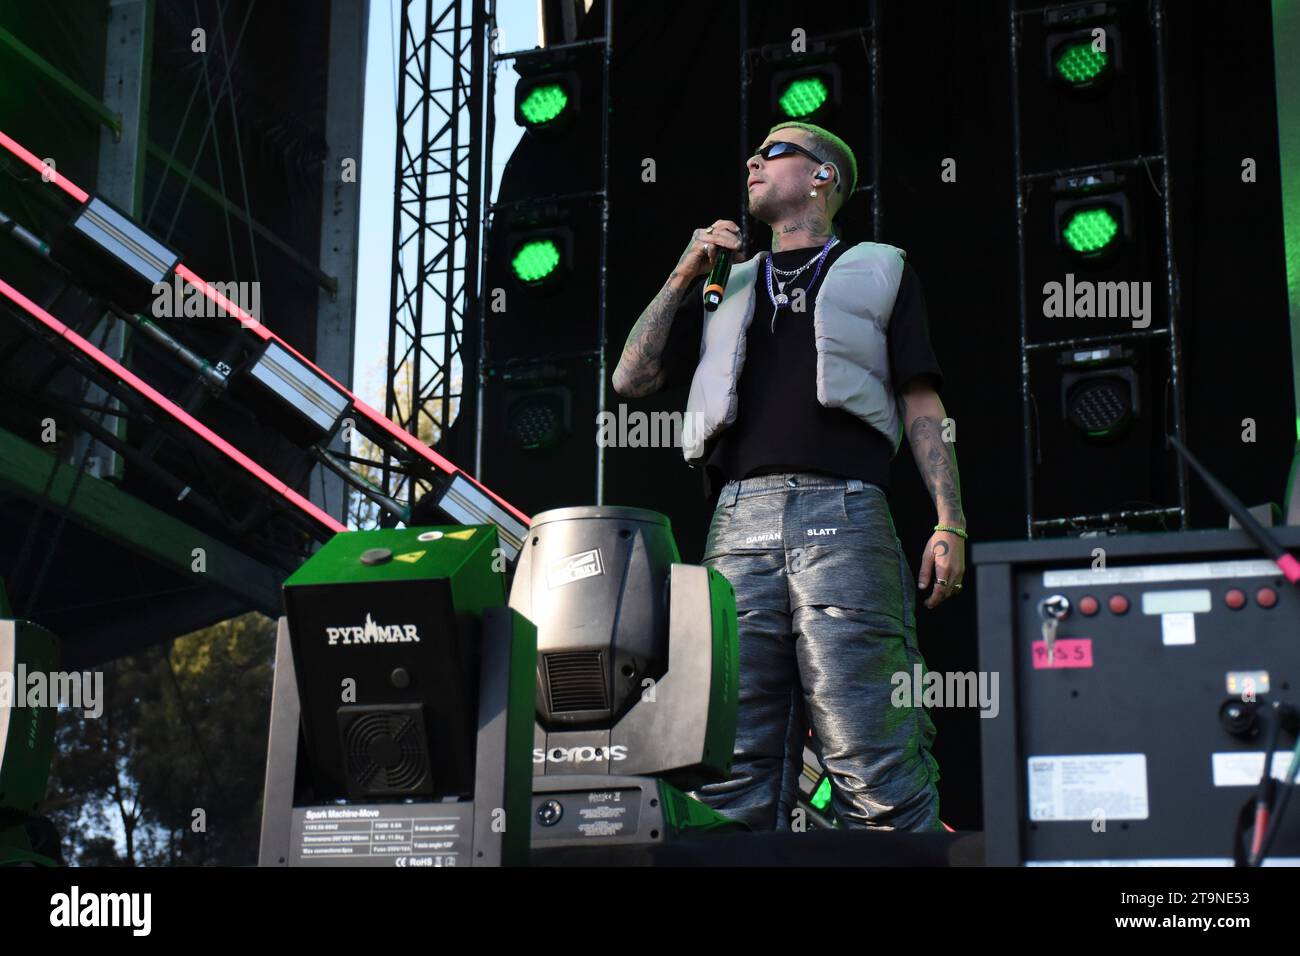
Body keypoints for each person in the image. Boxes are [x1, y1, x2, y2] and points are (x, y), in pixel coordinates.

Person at [611, 121, 966, 832]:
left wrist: (949, 518)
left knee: (871, 750)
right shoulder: (723, 283)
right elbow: (630, 379)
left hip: (847, 514)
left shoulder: (880, 268)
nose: (752, 161)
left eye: (773, 152)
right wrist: (684, 273)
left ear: (821, 176)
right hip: (736, 521)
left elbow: (922, 403)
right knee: (724, 763)